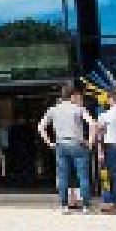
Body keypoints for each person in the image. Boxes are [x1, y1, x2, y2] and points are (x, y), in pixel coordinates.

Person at [39, 84, 99, 214]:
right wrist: (89, 141)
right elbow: (93, 124)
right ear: (72, 96)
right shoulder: (78, 109)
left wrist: (49, 142)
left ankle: (64, 206)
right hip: (77, 144)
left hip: (61, 144)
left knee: (62, 176)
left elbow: (41, 127)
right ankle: (85, 207)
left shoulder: (53, 110)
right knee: (82, 176)